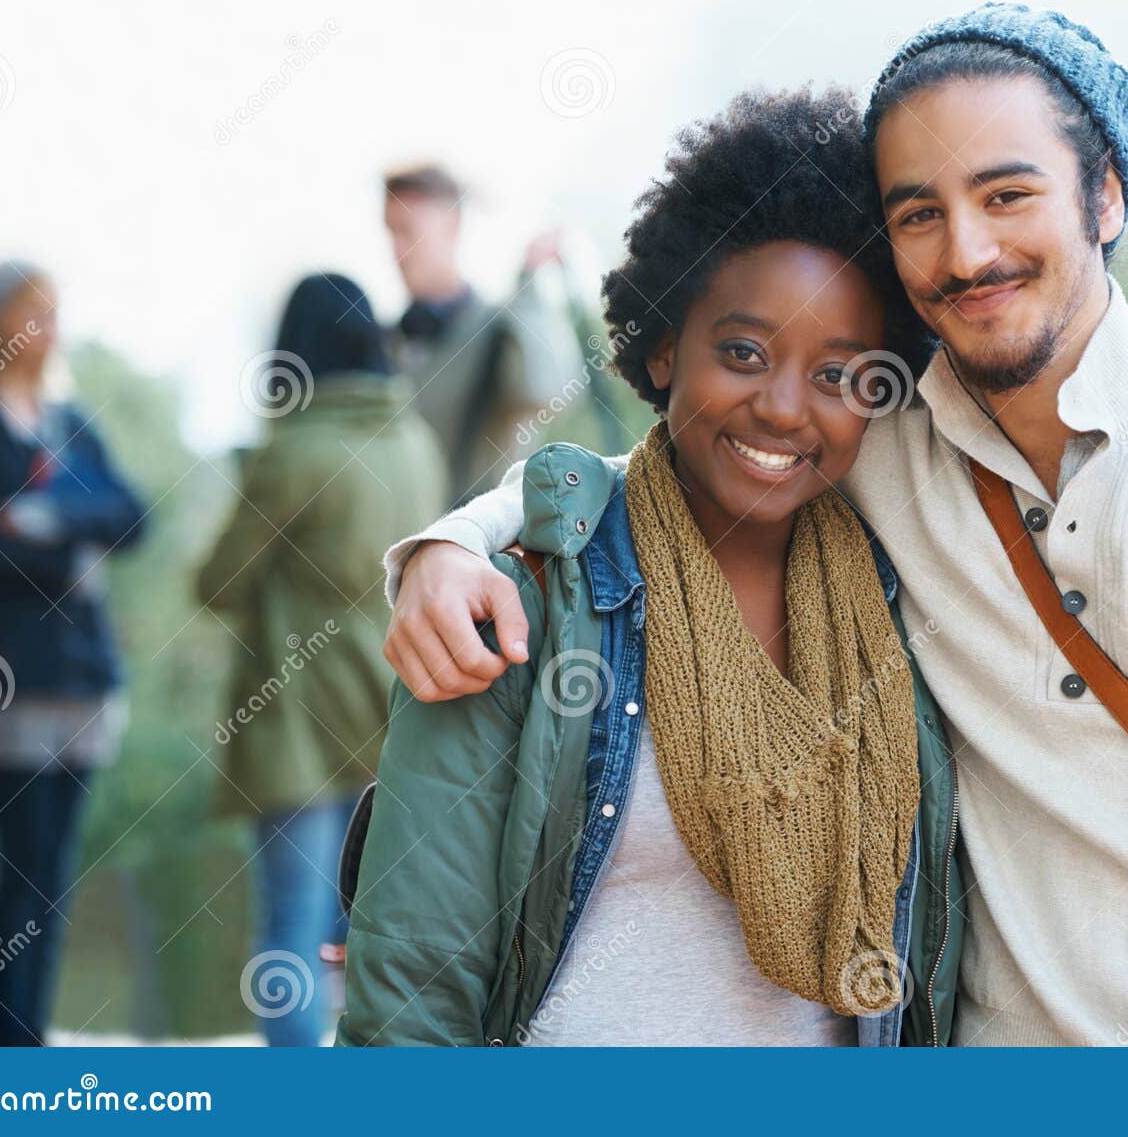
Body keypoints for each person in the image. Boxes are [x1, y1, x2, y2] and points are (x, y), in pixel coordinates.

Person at [378, 3, 1128, 1045]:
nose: (964, 253)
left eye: (1007, 195)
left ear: (1104, 195)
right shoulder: (882, 440)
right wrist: (450, 545)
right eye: (919, 214)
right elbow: (682, 456)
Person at [338, 88, 962, 1047]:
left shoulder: (900, 595)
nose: (788, 408)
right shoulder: (520, 601)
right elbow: (414, 992)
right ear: (666, 346)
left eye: (838, 373)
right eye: (745, 351)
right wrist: (449, 545)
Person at [197, 273, 445, 1046]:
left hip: (296, 723)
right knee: (372, 942)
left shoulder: (293, 451)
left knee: (291, 937)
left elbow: (218, 584)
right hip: (397, 718)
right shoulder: (416, 444)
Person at [0, 261, 146, 1045]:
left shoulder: (69, 422)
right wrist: (75, 544)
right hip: (4, 682)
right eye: (32, 313)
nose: (47, 330)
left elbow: (133, 514)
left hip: (81, 679)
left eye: (54, 313)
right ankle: (8, 1038)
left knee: (54, 871)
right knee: (20, 862)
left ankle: (32, 1036)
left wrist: (44, 517)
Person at [382, 164, 587, 505]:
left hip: (476, 549)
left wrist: (530, 284)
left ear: (453, 225)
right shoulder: (387, 341)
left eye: (408, 231)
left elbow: (547, 390)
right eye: (390, 232)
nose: (397, 252)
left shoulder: (501, 328)